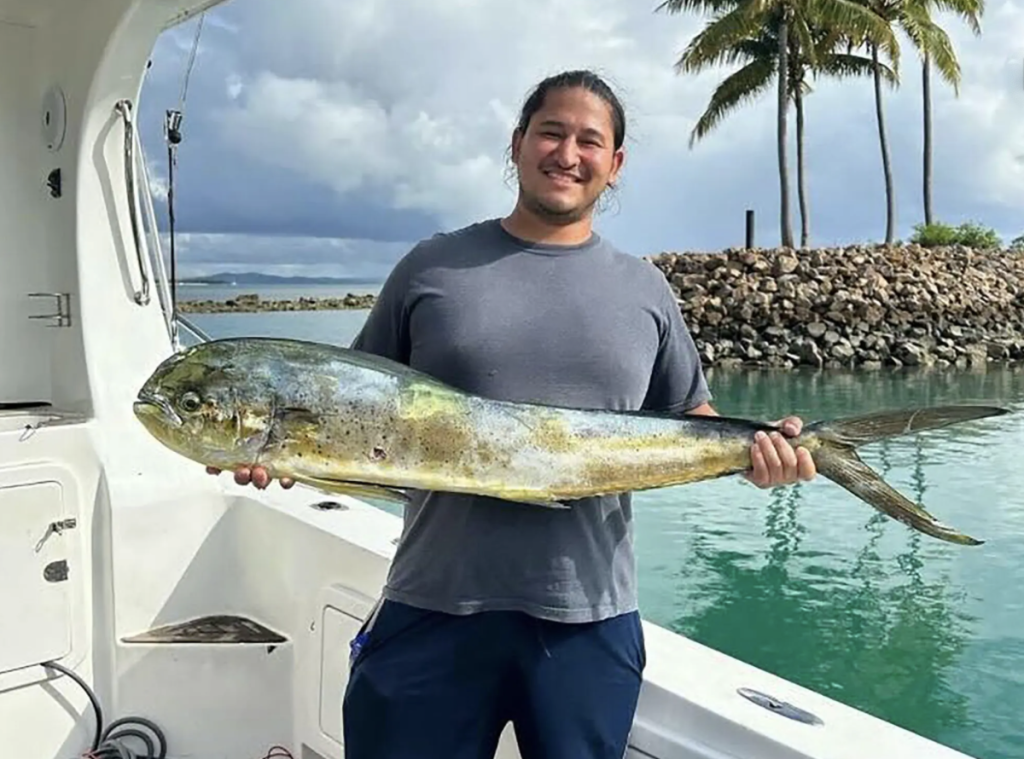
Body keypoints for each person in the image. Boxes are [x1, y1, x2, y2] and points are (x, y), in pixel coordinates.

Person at [210, 69, 816, 759]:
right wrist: (278, 450)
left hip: (587, 621)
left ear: (614, 166)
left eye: (590, 141)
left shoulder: (645, 288)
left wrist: (759, 454)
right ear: (518, 142)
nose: (567, 152)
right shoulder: (432, 266)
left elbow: (691, 416)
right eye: (551, 131)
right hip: (433, 604)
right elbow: (347, 401)